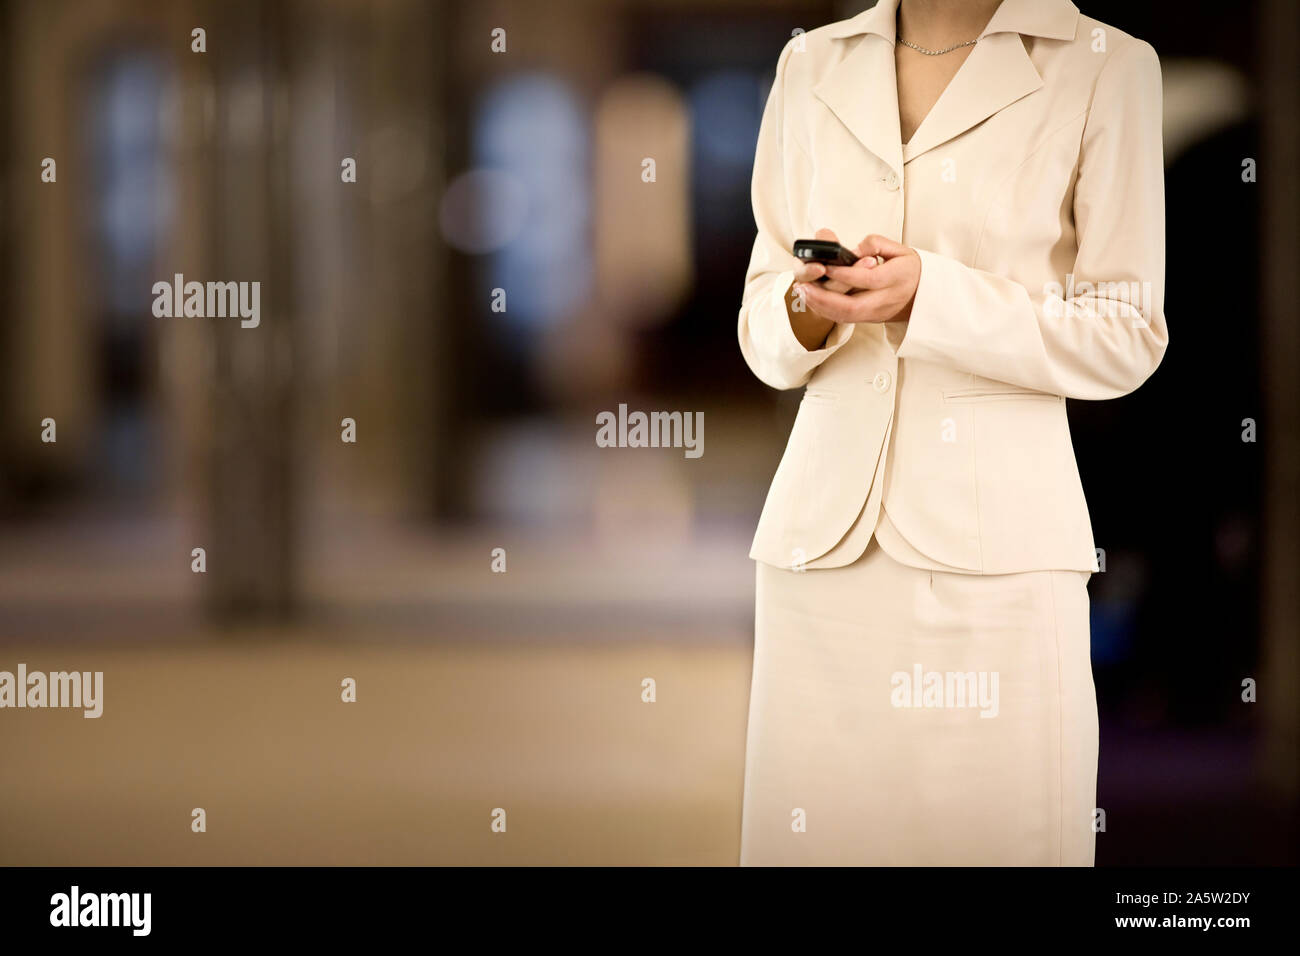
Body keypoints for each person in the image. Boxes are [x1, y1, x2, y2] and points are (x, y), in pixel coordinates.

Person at [737, 0, 1168, 865]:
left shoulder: (1105, 64)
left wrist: (931, 296)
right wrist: (809, 307)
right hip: (821, 552)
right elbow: (762, 325)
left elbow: (1127, 331)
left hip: (998, 557)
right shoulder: (811, 63)